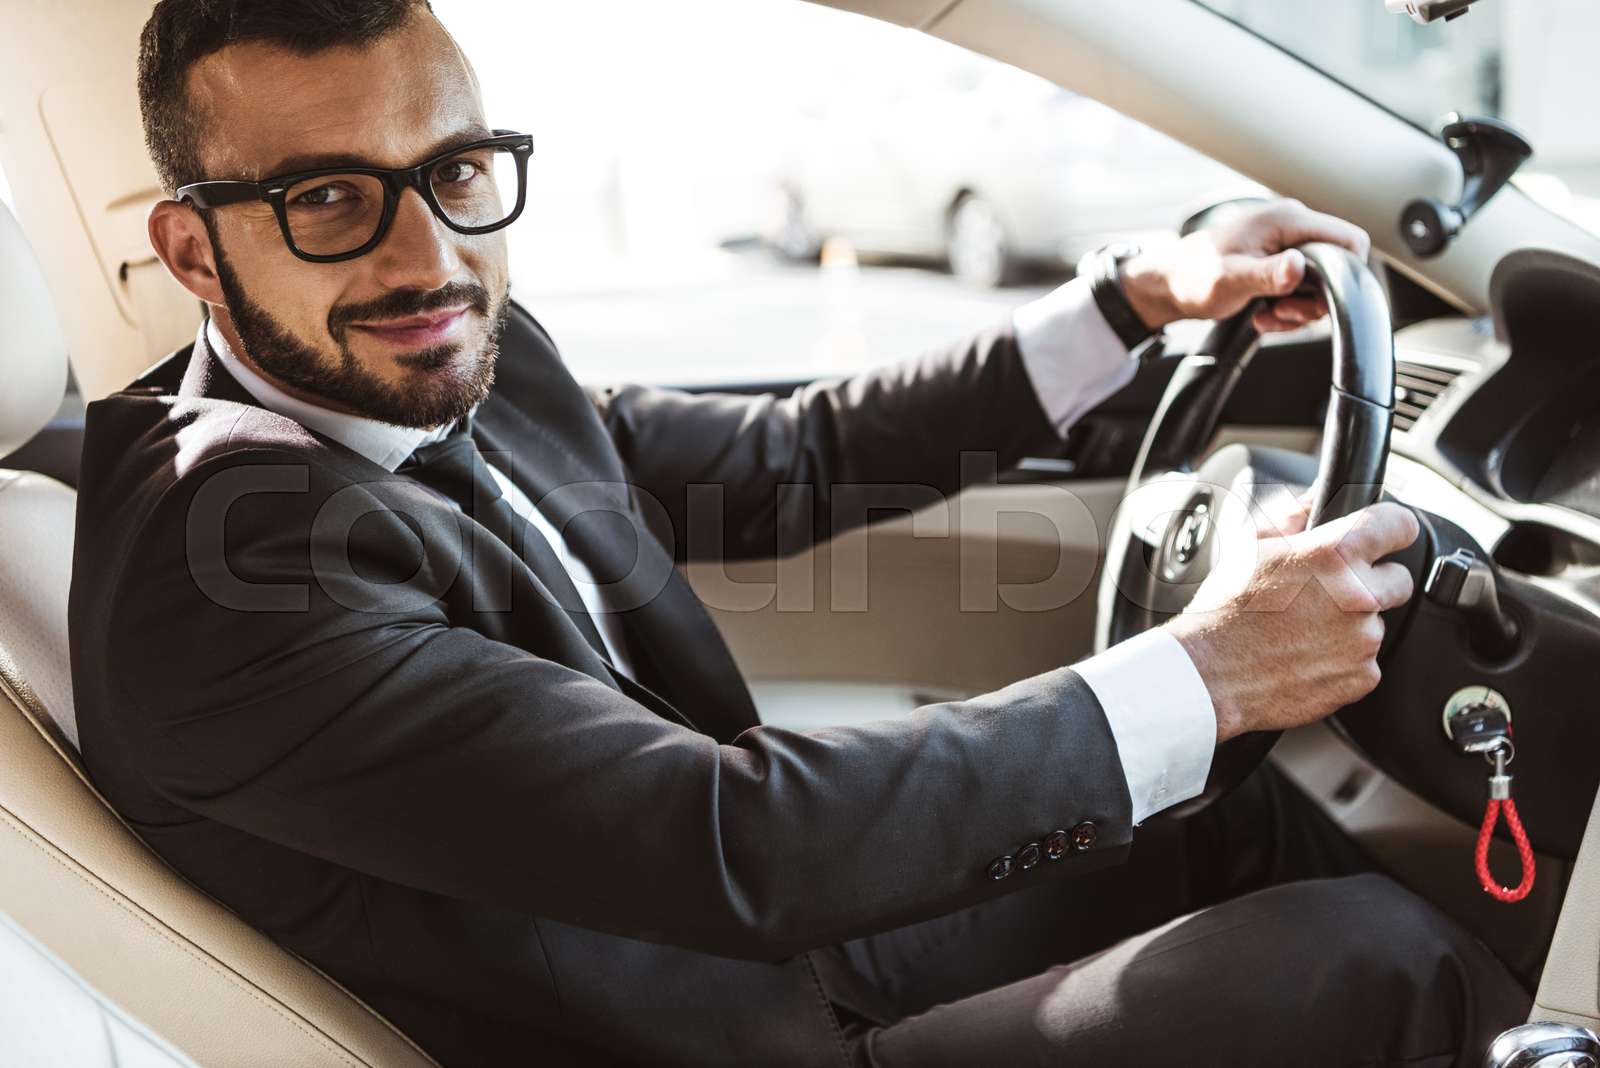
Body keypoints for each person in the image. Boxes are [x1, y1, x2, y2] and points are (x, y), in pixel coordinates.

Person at [68, 1, 1529, 1065]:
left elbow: (789, 457)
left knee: (1227, 809)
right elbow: (730, 837)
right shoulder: (227, 570)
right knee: (1369, 964)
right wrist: (1208, 671)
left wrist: (1133, 300)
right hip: (711, 1028)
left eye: (454, 171)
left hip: (771, 949)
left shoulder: (438, 365)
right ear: (193, 245)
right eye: (329, 198)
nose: (428, 254)